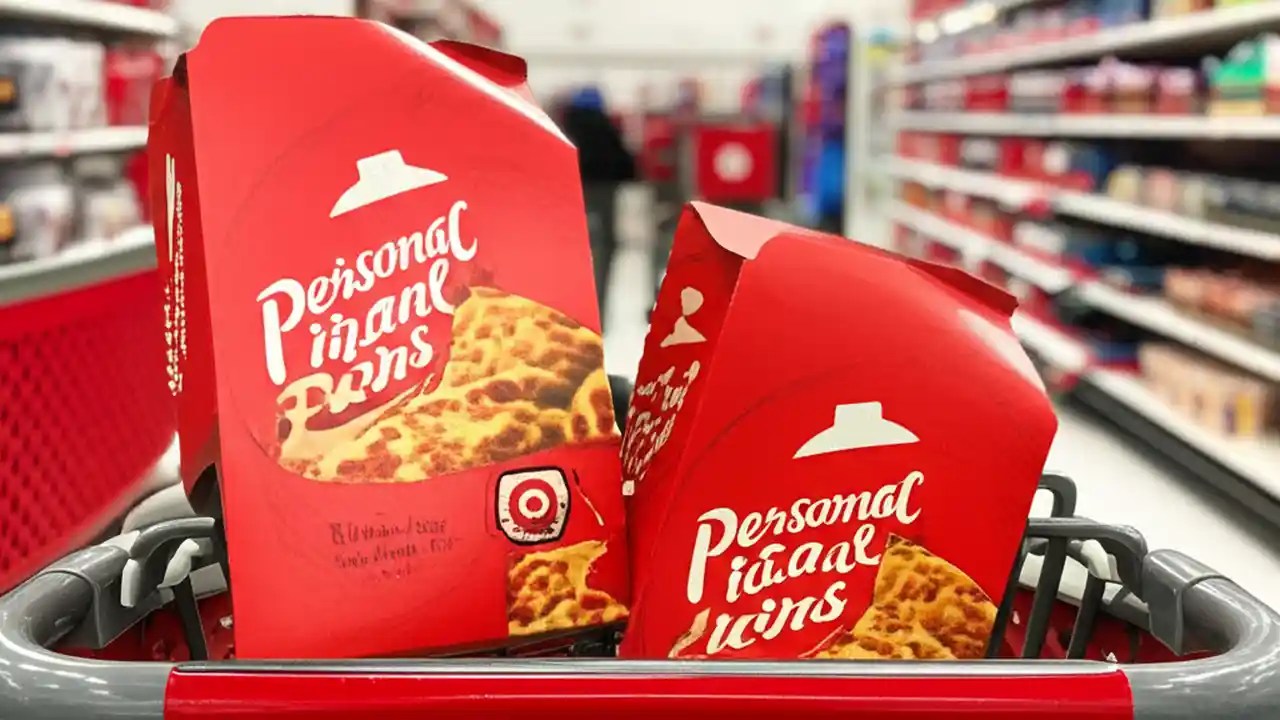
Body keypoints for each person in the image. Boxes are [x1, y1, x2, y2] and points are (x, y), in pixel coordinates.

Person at [559, 86, 637, 323]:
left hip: (573, 196)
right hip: (605, 194)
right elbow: (626, 165)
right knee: (604, 251)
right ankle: (598, 314)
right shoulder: (607, 130)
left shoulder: (564, 129)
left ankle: (571, 310)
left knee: (572, 254)